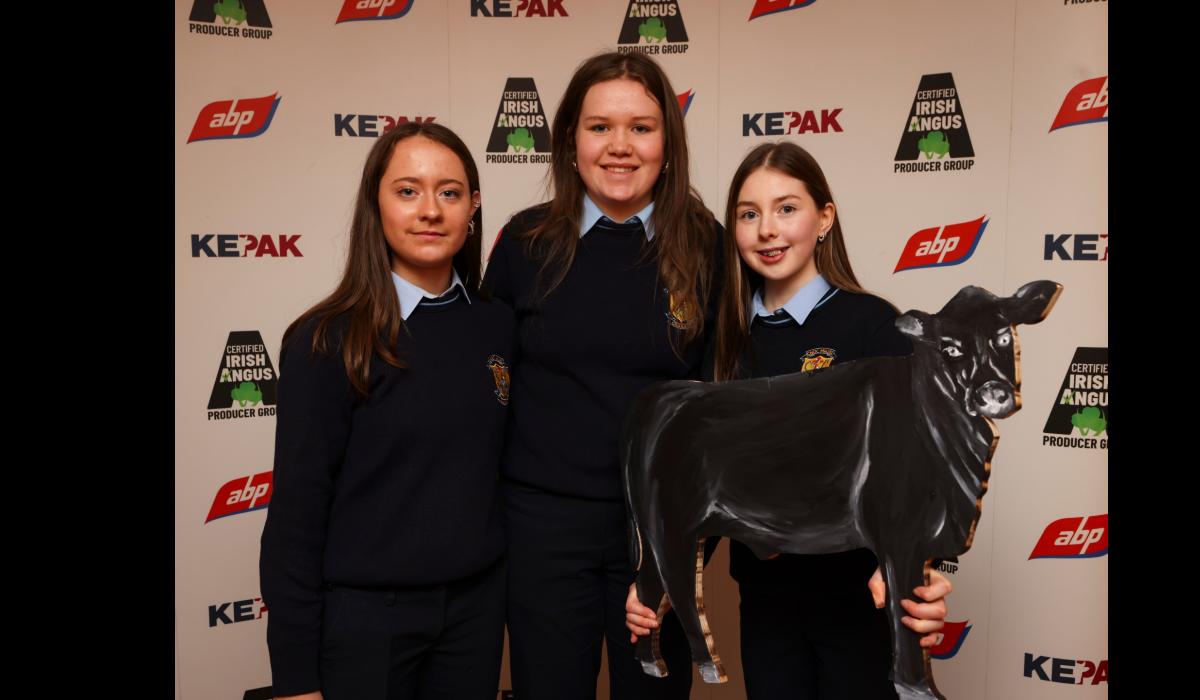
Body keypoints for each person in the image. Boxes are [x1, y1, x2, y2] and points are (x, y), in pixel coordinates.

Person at [625, 141, 952, 699]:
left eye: (787, 208)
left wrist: (933, 566)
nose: (767, 229)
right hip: (766, 605)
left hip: (859, 602)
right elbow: (702, 482)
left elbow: (927, 457)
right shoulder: (726, 344)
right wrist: (654, 580)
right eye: (749, 214)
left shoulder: (874, 327)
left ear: (824, 218)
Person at [483, 51, 719, 700]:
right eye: (599, 127)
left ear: (668, 143)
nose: (620, 146)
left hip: (657, 536)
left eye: (641, 127)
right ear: (568, 140)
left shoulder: (709, 248)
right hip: (541, 533)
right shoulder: (524, 244)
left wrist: (686, 558)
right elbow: (485, 392)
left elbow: (725, 419)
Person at [259, 122, 514, 700]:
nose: (430, 210)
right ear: (375, 202)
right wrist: (295, 679)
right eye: (407, 190)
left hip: (474, 617)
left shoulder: (496, 325)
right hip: (366, 624)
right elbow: (296, 518)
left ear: (473, 207)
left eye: (449, 192)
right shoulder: (326, 339)